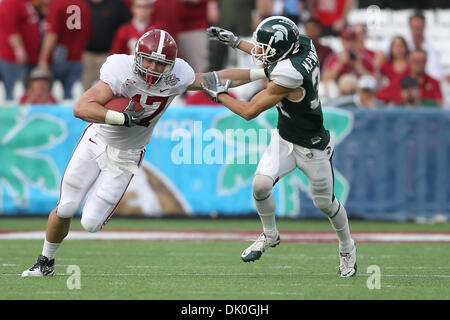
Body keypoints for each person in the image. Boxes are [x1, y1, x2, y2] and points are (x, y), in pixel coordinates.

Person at [21, 28, 253, 277]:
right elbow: (81, 108)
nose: (153, 67)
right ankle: (45, 262)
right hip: (96, 141)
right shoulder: (120, 70)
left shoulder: (179, 75)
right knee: (66, 207)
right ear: (137, 56)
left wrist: (263, 72)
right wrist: (120, 117)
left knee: (90, 224)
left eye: (160, 63)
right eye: (149, 59)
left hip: (127, 155)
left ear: (172, 65)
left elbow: (214, 79)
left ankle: (72, 237)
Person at [205, 16, 357, 277]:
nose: (261, 52)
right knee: (261, 185)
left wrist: (219, 95)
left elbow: (250, 110)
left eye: (266, 49)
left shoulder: (290, 73)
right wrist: (237, 43)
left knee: (326, 204)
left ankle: (347, 247)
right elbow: (270, 54)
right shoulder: (304, 44)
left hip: (312, 146)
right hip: (285, 137)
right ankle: (270, 234)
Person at [38, 0, 93, 100]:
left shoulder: (57, 4)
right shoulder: (84, 5)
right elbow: (89, 33)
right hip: (78, 56)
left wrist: (43, 58)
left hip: (59, 55)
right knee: (71, 97)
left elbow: (52, 34)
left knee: (48, 96)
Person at [81, 0, 132, 91]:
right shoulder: (82, 4)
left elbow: (127, 27)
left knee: (106, 91)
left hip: (107, 56)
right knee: (83, 89)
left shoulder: (117, 4)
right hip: (86, 55)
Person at [0, 0, 40, 101]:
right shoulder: (10, 3)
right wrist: (19, 50)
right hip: (12, 57)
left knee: (28, 90)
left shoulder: (26, 2)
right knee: (14, 91)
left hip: (31, 57)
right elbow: (11, 29)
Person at [376, 49, 442, 106]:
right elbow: (379, 98)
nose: (419, 64)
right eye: (416, 61)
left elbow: (439, 106)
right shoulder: (399, 81)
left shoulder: (433, 83)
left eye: (422, 61)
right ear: (410, 62)